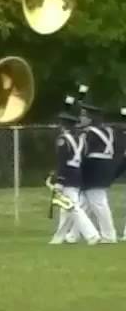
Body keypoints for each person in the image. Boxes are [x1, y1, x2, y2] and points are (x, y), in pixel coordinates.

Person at [50, 102, 99, 244]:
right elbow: (82, 157)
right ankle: (58, 238)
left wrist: (59, 180)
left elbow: (62, 160)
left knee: (73, 208)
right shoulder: (80, 139)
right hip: (77, 173)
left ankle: (92, 234)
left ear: (63, 124)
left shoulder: (63, 140)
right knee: (66, 209)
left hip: (67, 176)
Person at [79, 102, 116, 242]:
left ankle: (108, 235)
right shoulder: (107, 130)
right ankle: (73, 234)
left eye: (83, 116)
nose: (80, 118)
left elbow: (83, 151)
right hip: (104, 167)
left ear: (90, 118)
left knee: (98, 202)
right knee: (83, 204)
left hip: (93, 168)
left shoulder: (89, 133)